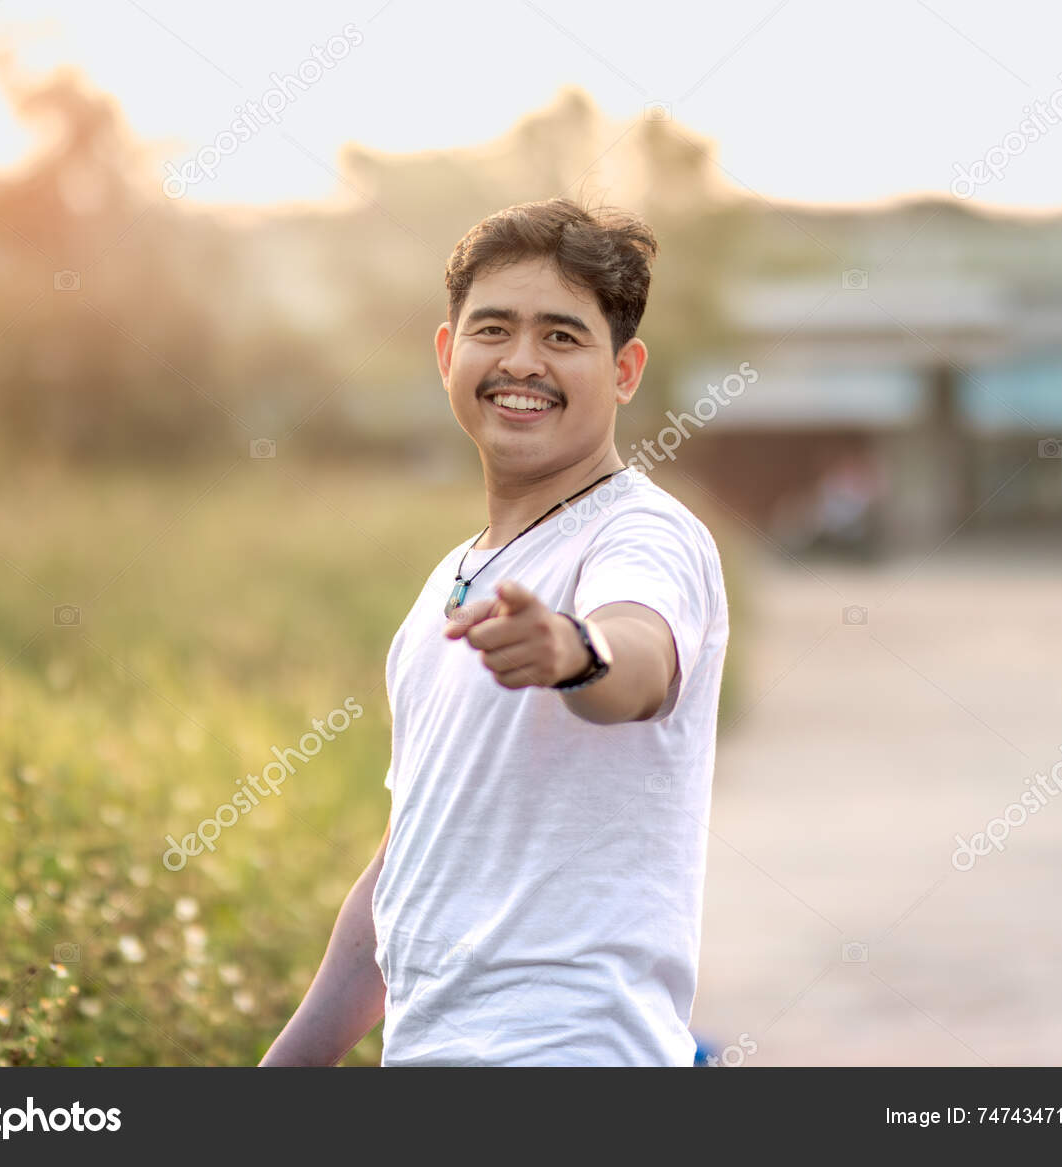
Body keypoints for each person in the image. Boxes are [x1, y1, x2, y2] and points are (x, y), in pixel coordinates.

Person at [259, 198, 729, 1066]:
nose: (522, 360)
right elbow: (408, 868)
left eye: (562, 336)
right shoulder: (445, 585)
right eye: (494, 329)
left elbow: (639, 657)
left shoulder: (640, 533)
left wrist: (575, 653)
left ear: (625, 371)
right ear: (447, 353)